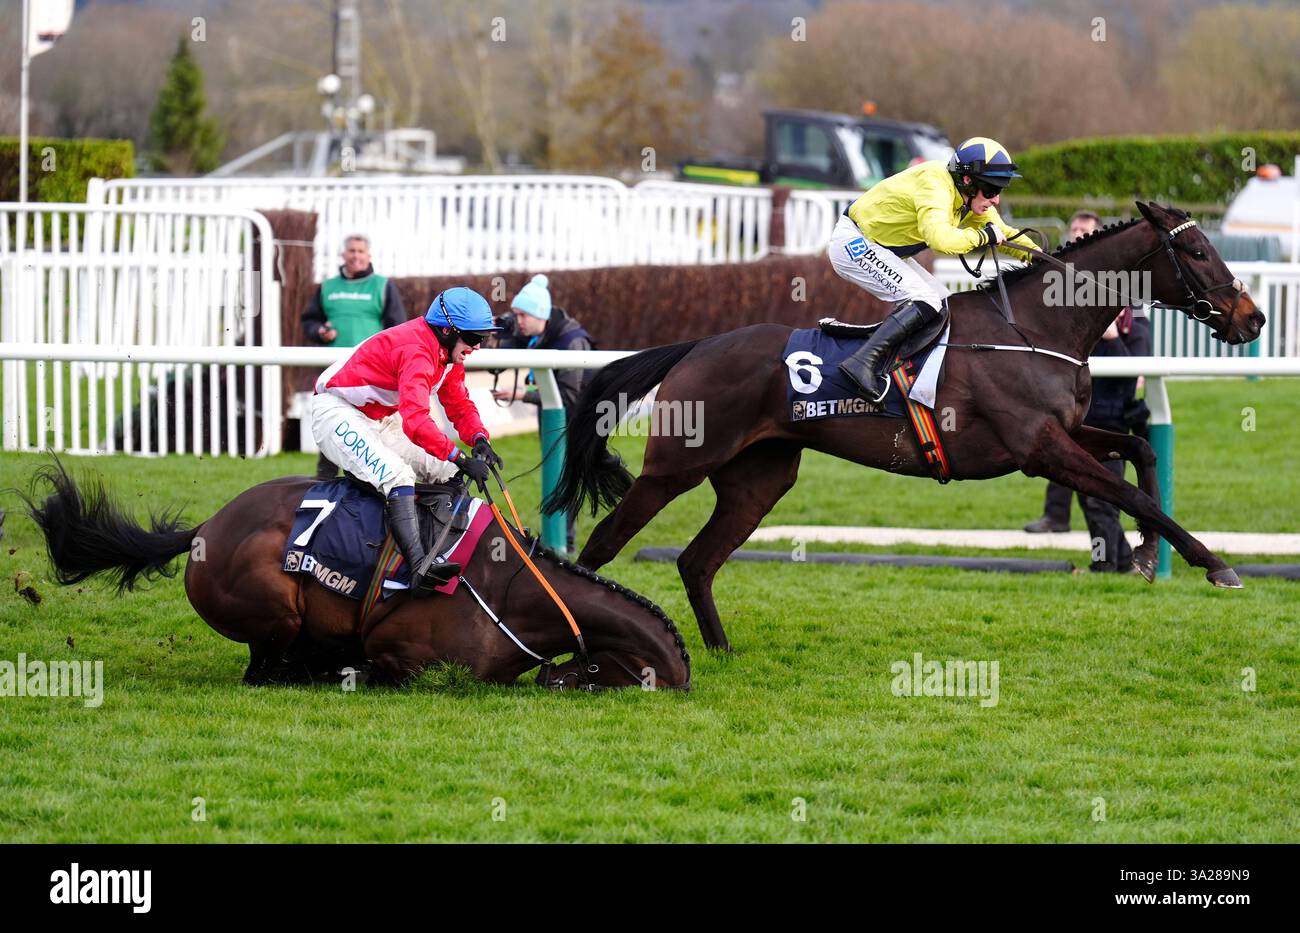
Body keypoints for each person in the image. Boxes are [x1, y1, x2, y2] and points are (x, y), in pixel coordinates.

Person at [311, 287, 503, 597]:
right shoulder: (417, 349)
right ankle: (416, 569)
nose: (478, 346)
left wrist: (479, 439)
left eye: (482, 338)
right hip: (336, 412)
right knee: (398, 475)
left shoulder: (448, 353)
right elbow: (416, 422)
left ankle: (443, 548)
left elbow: (457, 402)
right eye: (473, 337)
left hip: (379, 417)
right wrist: (460, 456)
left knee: (446, 471)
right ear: (447, 330)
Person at [829, 137, 1041, 401]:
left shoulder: (969, 195)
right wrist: (982, 237)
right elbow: (941, 240)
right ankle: (862, 362)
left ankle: (908, 372)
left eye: (999, 190)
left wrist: (1044, 260)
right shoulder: (935, 183)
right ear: (968, 180)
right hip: (854, 242)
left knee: (944, 303)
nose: (996, 199)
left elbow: (1004, 234)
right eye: (991, 190)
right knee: (926, 300)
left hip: (882, 248)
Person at [490, 274, 595, 552]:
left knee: (569, 475)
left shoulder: (572, 341)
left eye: (523, 315)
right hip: (553, 416)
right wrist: (495, 335)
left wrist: (522, 395)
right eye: (516, 315)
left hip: (580, 417)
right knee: (559, 474)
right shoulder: (535, 333)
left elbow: (569, 395)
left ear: (540, 314)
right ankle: (558, 541)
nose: (519, 321)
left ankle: (564, 542)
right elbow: (495, 364)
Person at [302, 234, 408, 479]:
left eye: (361, 251)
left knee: (370, 426)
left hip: (371, 372)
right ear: (343, 254)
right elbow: (310, 321)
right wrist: (319, 332)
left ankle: (370, 478)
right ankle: (325, 481)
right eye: (352, 251)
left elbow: (398, 327)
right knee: (333, 422)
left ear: (368, 256)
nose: (356, 255)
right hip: (335, 371)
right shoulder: (327, 287)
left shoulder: (382, 286)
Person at [1025, 210, 1104, 533]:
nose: (1076, 235)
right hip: (1064, 375)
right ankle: (1056, 515)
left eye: (1084, 231)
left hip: (1104, 379)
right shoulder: (1058, 272)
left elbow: (1136, 328)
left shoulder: (1112, 278)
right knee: (1060, 443)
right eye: (1074, 229)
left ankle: (1109, 538)